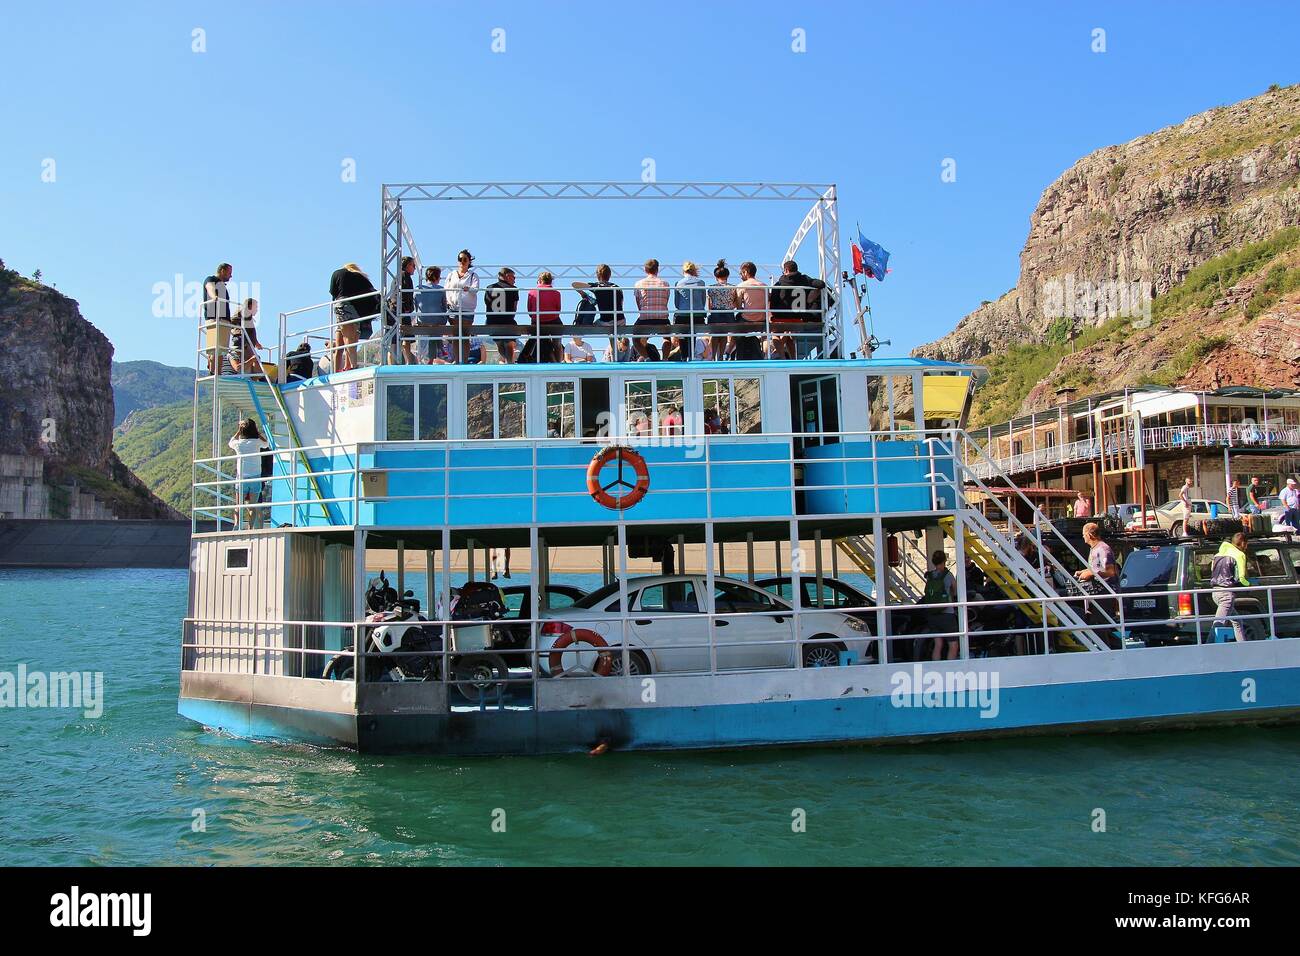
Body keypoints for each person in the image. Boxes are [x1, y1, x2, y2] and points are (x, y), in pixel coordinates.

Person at [329, 263, 381, 372]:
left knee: (340, 346)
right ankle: (351, 366)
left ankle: (337, 370)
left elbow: (333, 293)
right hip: (355, 310)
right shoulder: (360, 277)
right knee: (351, 340)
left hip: (341, 308)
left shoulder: (337, 273)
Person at [227, 418, 269, 531]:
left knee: (238, 504)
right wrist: (258, 433)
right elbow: (266, 444)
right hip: (255, 477)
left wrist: (238, 431)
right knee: (252, 507)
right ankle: (250, 528)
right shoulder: (256, 442)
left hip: (241, 478)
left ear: (242, 431)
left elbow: (230, 442)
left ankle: (236, 525)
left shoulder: (238, 444)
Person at [1075, 521, 1118, 630]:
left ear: (1089, 535)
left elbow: (1110, 571)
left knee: (1098, 624)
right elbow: (1095, 568)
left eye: (1084, 535)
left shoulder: (1103, 548)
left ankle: (1109, 646)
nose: (1083, 538)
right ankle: (1110, 645)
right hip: (1097, 591)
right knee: (1094, 622)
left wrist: (1090, 573)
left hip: (1106, 591)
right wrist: (1083, 571)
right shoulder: (1094, 549)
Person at [768, 259, 815, 360]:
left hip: (782, 318)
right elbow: (820, 284)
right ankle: (793, 358)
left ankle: (781, 357)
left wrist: (772, 315)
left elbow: (773, 302)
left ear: (786, 270)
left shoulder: (779, 283)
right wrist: (811, 297)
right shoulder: (804, 279)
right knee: (789, 335)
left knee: (774, 334)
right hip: (798, 318)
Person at [1210, 532, 1251, 642]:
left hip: (1215, 592)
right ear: (1242, 543)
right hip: (1226, 594)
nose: (1246, 547)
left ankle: (1242, 645)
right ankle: (1206, 649)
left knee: (1237, 621)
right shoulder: (1239, 555)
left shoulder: (1217, 555)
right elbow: (1241, 578)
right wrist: (1250, 584)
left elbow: (1212, 571)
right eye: (1246, 544)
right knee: (1218, 623)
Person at [922, 551, 959, 661]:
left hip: (933, 614)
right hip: (946, 614)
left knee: (938, 644)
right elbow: (955, 590)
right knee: (953, 645)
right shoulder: (948, 575)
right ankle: (949, 671)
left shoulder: (930, 576)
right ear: (944, 561)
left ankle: (937, 670)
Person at [444, 249, 480, 363]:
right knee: (455, 335)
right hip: (453, 308)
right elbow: (446, 289)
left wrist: (468, 288)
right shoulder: (451, 274)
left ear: (469, 261)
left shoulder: (473, 275)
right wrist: (448, 302)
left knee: (465, 335)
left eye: (465, 259)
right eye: (460, 259)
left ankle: (464, 360)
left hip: (467, 309)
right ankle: (457, 359)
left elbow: (475, 289)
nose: (462, 261)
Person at [633, 258, 670, 359]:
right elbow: (666, 300)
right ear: (657, 270)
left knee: (635, 339)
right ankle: (665, 359)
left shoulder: (638, 284)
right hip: (662, 318)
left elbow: (638, 304)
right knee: (667, 339)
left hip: (645, 318)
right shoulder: (665, 284)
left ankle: (646, 358)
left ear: (645, 270)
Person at [525, 270, 564, 363]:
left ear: (539, 280)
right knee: (557, 343)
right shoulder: (556, 293)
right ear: (551, 281)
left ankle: (528, 356)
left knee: (538, 338)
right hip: (553, 320)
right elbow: (558, 309)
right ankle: (558, 362)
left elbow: (529, 310)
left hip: (537, 321)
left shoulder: (531, 292)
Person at [202, 263, 234, 375]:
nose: (231, 276)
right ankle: (212, 371)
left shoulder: (222, 285)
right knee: (214, 347)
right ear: (222, 271)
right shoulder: (211, 279)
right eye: (229, 273)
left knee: (221, 350)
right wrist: (214, 296)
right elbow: (209, 287)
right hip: (214, 318)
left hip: (224, 320)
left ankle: (218, 373)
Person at [484, 267, 520, 364]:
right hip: (507, 320)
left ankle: (507, 361)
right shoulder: (513, 289)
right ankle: (510, 363)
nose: (514, 280)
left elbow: (487, 304)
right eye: (513, 277)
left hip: (492, 321)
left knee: (499, 343)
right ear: (507, 276)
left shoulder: (489, 287)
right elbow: (514, 308)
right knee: (509, 343)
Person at [735, 260, 768, 360]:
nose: (740, 275)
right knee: (766, 334)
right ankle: (766, 355)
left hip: (747, 318)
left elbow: (738, 305)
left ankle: (739, 356)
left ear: (745, 272)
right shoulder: (764, 286)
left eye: (741, 273)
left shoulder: (742, 286)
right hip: (762, 318)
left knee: (737, 323)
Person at [415, 265, 448, 363]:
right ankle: (437, 354)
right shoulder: (441, 290)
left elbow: (416, 305)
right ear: (435, 277)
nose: (440, 278)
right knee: (436, 324)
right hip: (437, 321)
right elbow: (444, 307)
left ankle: (429, 357)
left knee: (431, 325)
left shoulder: (417, 288)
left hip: (423, 320)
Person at [706, 259, 738, 361]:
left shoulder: (711, 288)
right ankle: (720, 357)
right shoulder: (733, 288)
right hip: (728, 315)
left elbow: (709, 305)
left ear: (716, 277)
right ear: (727, 276)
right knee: (724, 335)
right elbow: (735, 303)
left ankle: (713, 355)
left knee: (715, 335)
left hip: (715, 314)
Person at [673, 260, 707, 349]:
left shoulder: (678, 283)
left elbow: (677, 304)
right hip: (698, 317)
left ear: (683, 271)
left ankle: (684, 355)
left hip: (683, 316)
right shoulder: (701, 283)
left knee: (681, 330)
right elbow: (703, 301)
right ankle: (691, 352)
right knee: (693, 332)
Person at [229, 298, 265, 375]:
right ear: (250, 306)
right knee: (255, 359)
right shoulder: (244, 311)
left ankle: (257, 375)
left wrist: (256, 342)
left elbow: (252, 330)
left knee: (255, 359)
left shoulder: (247, 314)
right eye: (256, 307)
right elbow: (232, 321)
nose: (257, 309)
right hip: (241, 340)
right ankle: (258, 376)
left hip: (245, 341)